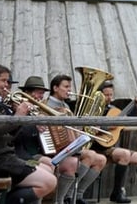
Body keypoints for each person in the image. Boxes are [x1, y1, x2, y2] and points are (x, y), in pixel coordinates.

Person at [0, 62, 57, 204]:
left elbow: (9, 134)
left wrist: (21, 118)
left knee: (48, 175)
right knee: (48, 182)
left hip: (4, 158)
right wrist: (16, 118)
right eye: (3, 80)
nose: (6, 85)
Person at [45, 74, 109, 204]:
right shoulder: (48, 104)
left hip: (68, 146)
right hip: (57, 148)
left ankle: (77, 194)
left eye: (70, 87)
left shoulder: (66, 106)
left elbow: (73, 129)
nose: (69, 90)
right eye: (66, 86)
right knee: (89, 155)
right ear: (55, 88)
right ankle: (66, 197)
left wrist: (89, 126)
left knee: (101, 159)